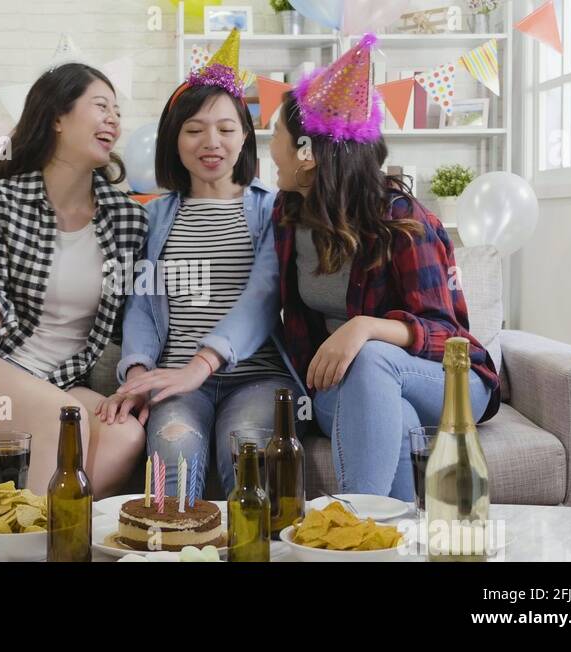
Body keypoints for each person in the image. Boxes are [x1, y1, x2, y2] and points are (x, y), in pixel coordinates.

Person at [267, 35, 501, 500]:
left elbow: (448, 336)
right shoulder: (287, 215)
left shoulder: (403, 220)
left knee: (372, 358)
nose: (269, 144)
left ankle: (354, 531)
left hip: (446, 379)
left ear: (308, 154)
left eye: (276, 133)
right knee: (397, 417)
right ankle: (389, 546)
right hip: (343, 385)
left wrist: (366, 329)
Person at [0, 63, 149, 498]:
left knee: (125, 436)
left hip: (56, 379)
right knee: (64, 416)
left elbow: (139, 317)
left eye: (117, 110)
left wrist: (152, 377)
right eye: (101, 106)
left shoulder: (128, 218)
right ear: (57, 117)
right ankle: (30, 543)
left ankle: (52, 537)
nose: (114, 119)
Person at [99, 31, 302, 498]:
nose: (211, 141)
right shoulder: (151, 217)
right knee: (173, 457)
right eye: (194, 129)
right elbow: (141, 306)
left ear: (245, 136)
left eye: (226, 129)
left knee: (247, 454)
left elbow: (264, 295)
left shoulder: (274, 210)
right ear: (174, 139)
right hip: (175, 381)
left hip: (257, 377)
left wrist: (202, 363)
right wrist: (136, 375)